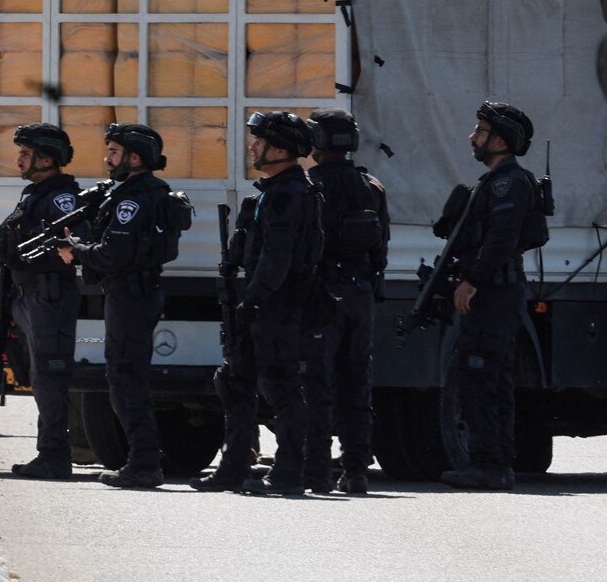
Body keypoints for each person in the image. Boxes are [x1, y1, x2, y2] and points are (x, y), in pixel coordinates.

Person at [199, 111, 331, 494]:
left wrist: (254, 300)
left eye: (260, 141)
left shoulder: (290, 194)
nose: (252, 147)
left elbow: (279, 256)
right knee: (235, 383)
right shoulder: (273, 192)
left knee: (281, 387)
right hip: (263, 301)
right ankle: (233, 468)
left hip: (279, 304)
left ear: (281, 149)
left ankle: (289, 473)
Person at [55, 122, 179, 488]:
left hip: (129, 294)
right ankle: (142, 460)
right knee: (126, 378)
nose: (107, 159)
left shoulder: (132, 200)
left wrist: (74, 250)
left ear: (134, 158)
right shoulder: (144, 192)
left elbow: (113, 254)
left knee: (125, 380)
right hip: (134, 293)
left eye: (113, 152)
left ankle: (143, 464)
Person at [439, 101, 543, 492]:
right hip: (496, 290)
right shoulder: (496, 181)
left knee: (482, 376)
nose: (473, 137)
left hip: (495, 292)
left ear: (500, 140)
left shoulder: (508, 183)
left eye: (480, 131)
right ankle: (496, 464)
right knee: (489, 377)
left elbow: (502, 239)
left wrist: (473, 281)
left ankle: (488, 465)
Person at [0, 123, 86, 480]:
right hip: (30, 294)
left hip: (48, 295)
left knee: (50, 375)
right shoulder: (36, 194)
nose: (18, 159)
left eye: (25, 154)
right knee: (39, 374)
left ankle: (54, 455)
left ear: (46, 159)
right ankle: (51, 452)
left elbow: (72, 242)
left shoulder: (60, 198)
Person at [307, 108, 391, 495]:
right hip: (360, 294)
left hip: (322, 294)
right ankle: (356, 470)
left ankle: (317, 470)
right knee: (356, 384)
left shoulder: (309, 185)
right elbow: (381, 248)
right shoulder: (372, 186)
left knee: (318, 383)